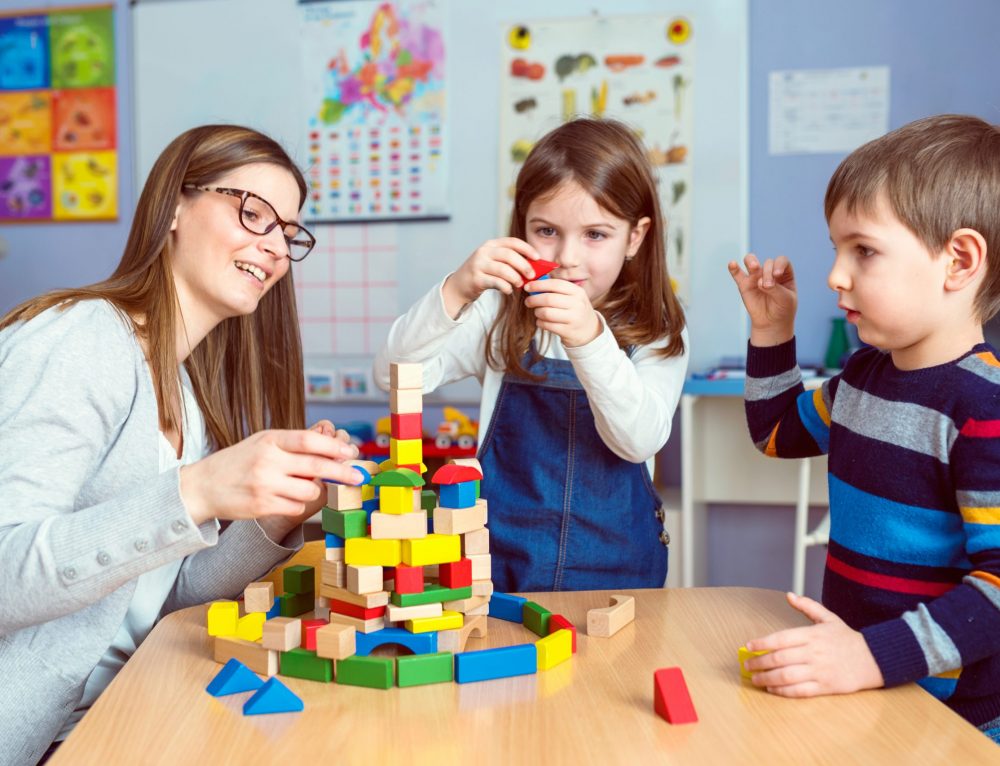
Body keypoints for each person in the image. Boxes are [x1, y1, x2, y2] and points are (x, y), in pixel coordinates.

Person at [0, 124, 364, 764]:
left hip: (122, 707)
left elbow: (158, 606)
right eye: (252, 213)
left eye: (287, 231)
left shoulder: (185, 395)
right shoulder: (79, 339)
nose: (274, 247)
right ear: (173, 206)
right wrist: (196, 491)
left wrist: (274, 518)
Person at [728, 114, 1000, 743]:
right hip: (868, 694)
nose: (835, 276)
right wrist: (771, 333)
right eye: (836, 250)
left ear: (958, 260)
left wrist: (871, 656)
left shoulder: (982, 406)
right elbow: (775, 432)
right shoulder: (862, 377)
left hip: (954, 722)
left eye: (864, 250)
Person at [374, 118, 688, 592]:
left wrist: (589, 338)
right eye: (547, 230)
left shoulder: (658, 328)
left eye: (596, 235)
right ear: (522, 225)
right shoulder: (498, 313)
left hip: (620, 577)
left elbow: (638, 440)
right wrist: (457, 290)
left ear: (636, 237)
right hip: (497, 570)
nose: (567, 257)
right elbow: (393, 375)